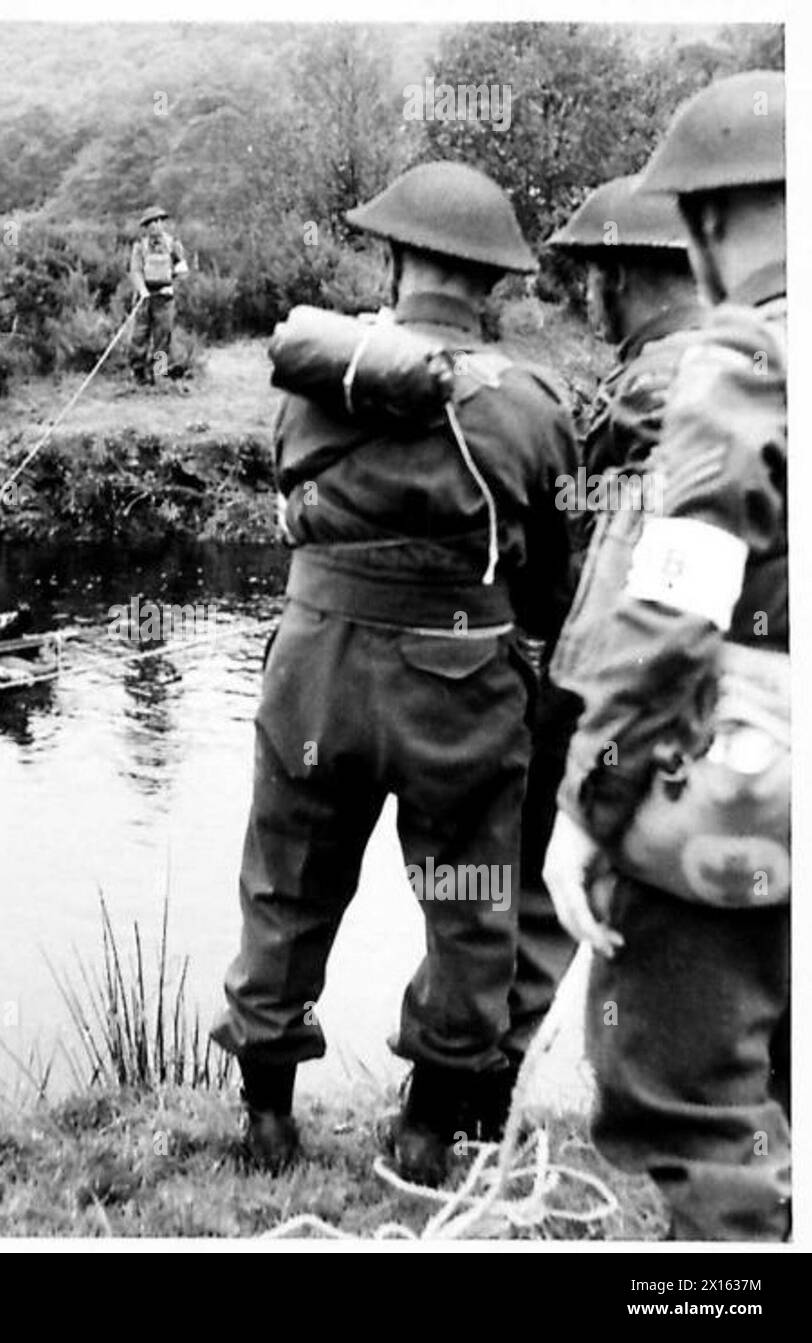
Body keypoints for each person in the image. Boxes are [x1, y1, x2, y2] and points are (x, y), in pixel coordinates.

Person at [210, 161, 580, 1184]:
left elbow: (293, 491)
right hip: (460, 687)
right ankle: (423, 1131)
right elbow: (552, 578)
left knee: (285, 883)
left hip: (314, 669)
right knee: (468, 902)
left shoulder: (319, 380)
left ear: (393, 255)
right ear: (493, 282)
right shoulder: (534, 406)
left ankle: (267, 1123)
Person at [544, 70, 789, 1241]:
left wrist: (592, 800)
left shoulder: (741, 363)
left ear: (698, 222)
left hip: (746, 799)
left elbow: (675, 604)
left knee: (699, 1122)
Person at [507, 176, 708, 1057]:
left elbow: (581, 551)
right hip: (721, 681)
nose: (586, 292)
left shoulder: (642, 391)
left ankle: (497, 1076)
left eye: (592, 273)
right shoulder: (750, 362)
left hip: (618, 671)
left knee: (538, 887)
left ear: (621, 277)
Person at [128, 206, 188, 384]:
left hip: (165, 298)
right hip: (144, 297)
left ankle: (159, 373)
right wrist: (142, 291)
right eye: (150, 223)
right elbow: (135, 271)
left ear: (163, 223)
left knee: (162, 337)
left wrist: (173, 287)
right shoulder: (140, 247)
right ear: (145, 227)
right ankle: (138, 372)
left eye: (158, 221)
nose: (155, 225)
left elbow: (183, 270)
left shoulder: (173, 245)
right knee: (139, 335)